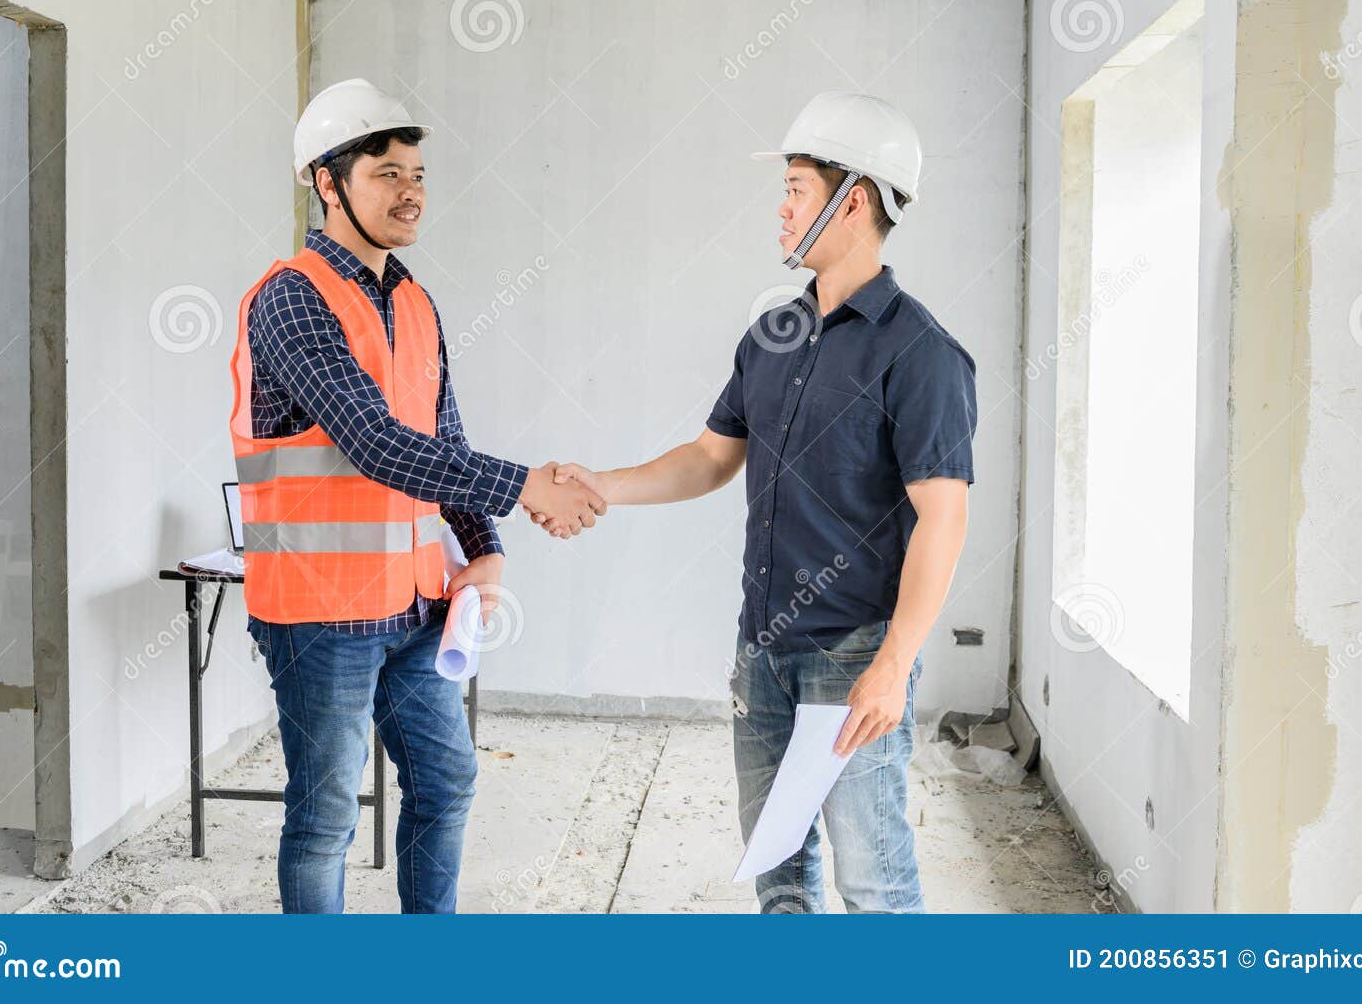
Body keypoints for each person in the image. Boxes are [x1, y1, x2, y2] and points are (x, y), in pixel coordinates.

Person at [539, 92, 976, 914]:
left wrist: (892, 666)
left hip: (854, 655)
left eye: (799, 188)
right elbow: (710, 457)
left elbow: (943, 518)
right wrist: (604, 485)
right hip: (762, 652)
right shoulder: (773, 334)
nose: (781, 207)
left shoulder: (921, 355)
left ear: (853, 201)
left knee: (876, 886)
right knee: (779, 876)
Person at [230, 78, 604, 914]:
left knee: (446, 781)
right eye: (387, 174)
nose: (411, 193)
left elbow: (442, 446)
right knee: (326, 814)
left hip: (414, 604)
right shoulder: (291, 300)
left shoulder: (414, 301)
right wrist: (526, 487)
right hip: (318, 616)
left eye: (420, 174)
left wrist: (488, 550)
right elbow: (375, 444)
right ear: (327, 184)